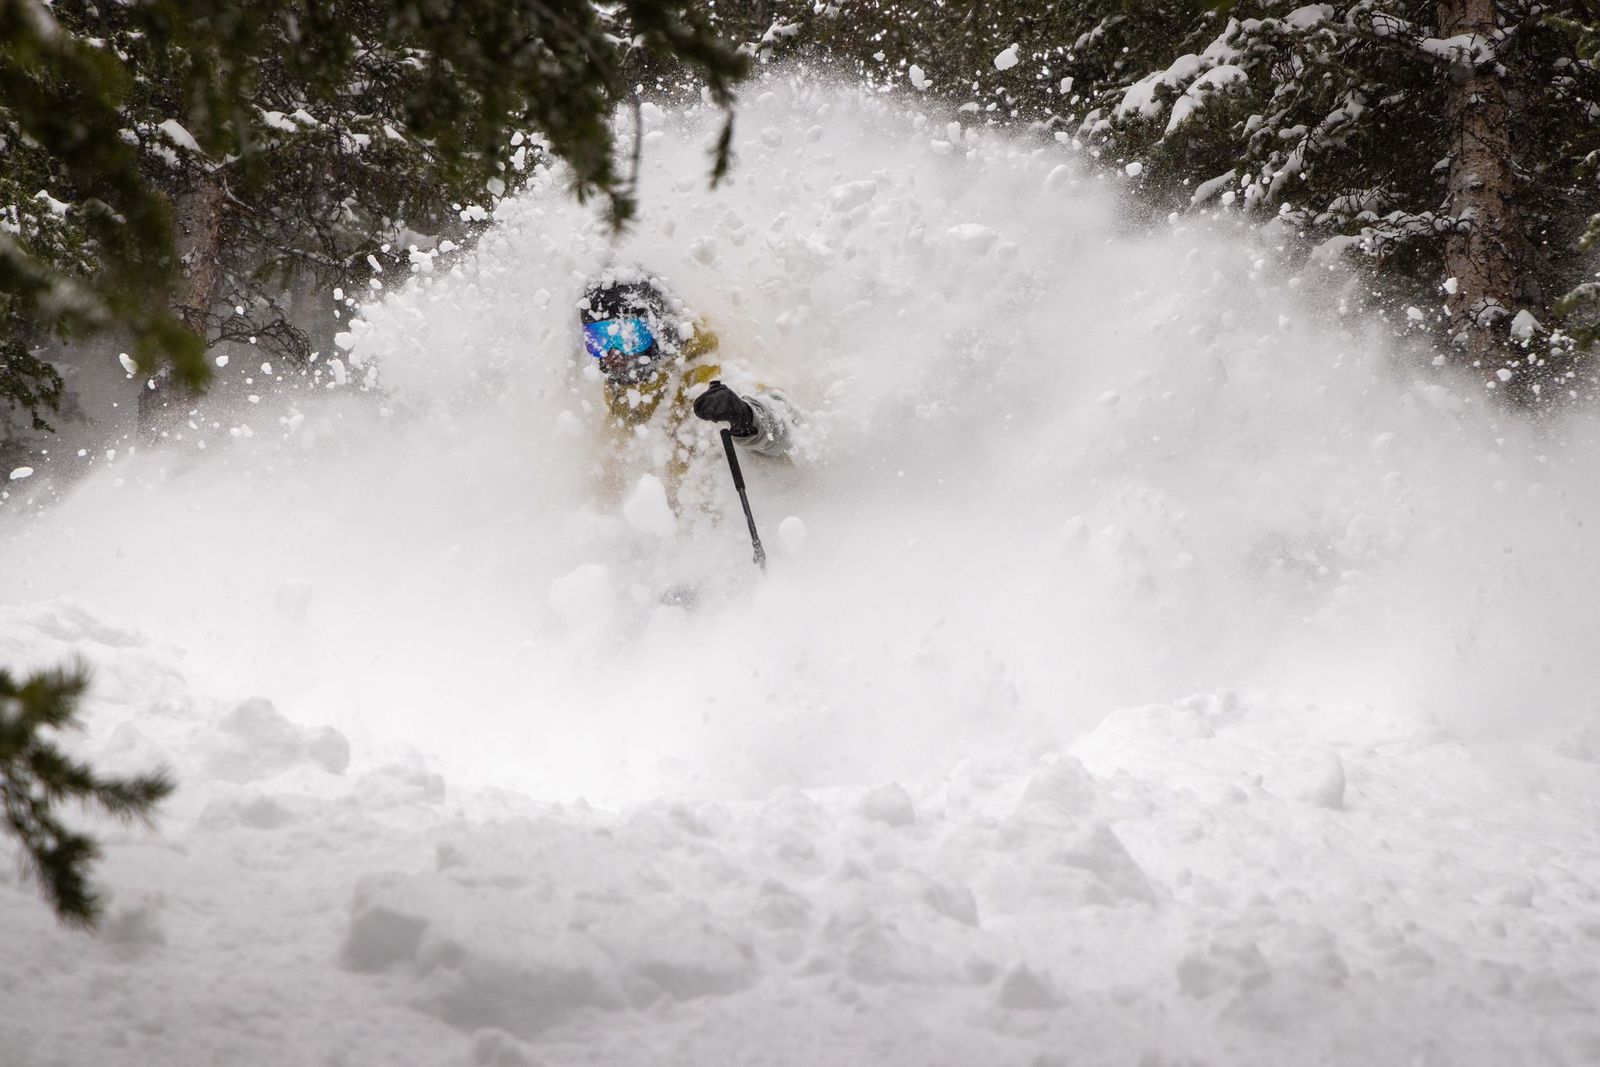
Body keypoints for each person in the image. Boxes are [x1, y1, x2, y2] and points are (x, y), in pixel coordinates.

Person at [578, 267, 796, 508]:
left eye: (628, 336)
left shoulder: (705, 381)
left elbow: (788, 425)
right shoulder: (619, 418)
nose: (613, 354)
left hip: (727, 537)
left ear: (660, 330)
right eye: (598, 340)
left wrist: (746, 418)